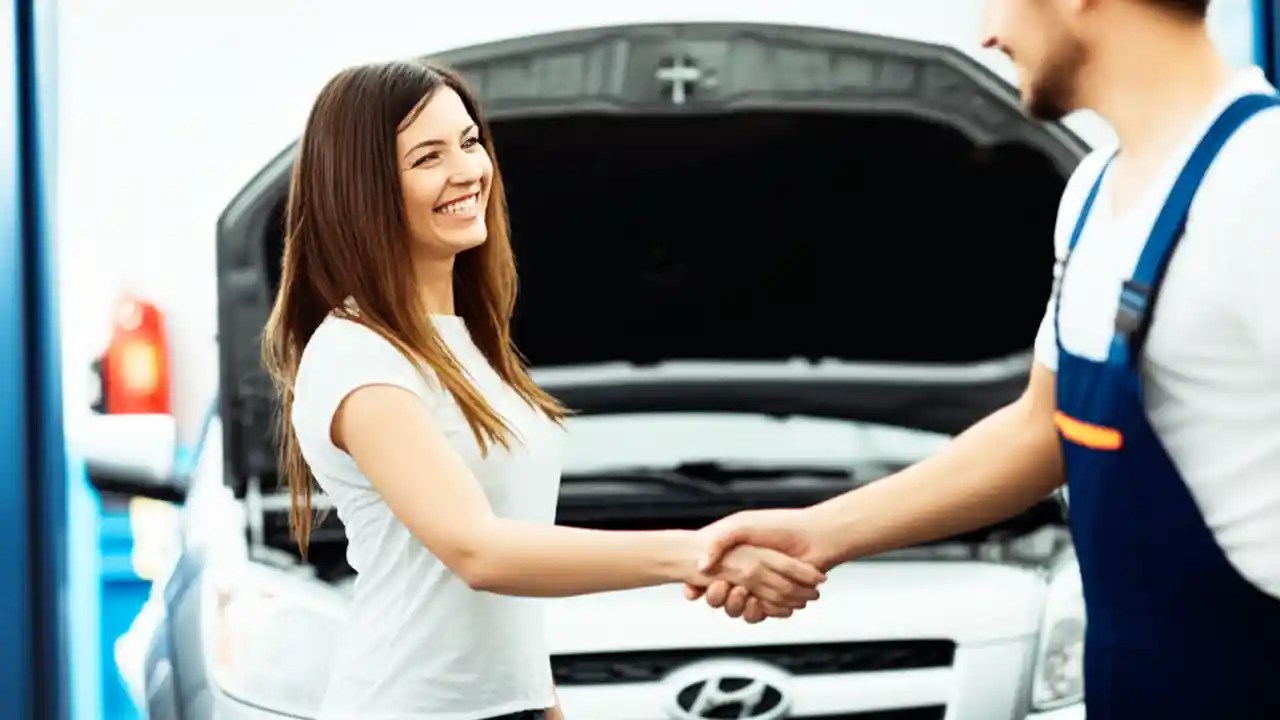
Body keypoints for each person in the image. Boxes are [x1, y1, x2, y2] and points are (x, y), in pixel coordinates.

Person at [689, 1, 1280, 717]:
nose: (987, 33)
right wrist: (821, 532)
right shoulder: (1096, 191)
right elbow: (1044, 427)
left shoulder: (1261, 187)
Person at [260, 60, 825, 720]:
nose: (468, 171)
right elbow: (479, 552)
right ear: (366, 190)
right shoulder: (359, 354)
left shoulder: (467, 343)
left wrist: (544, 705)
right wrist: (701, 555)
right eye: (428, 157)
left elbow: (503, 591)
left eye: (471, 143)